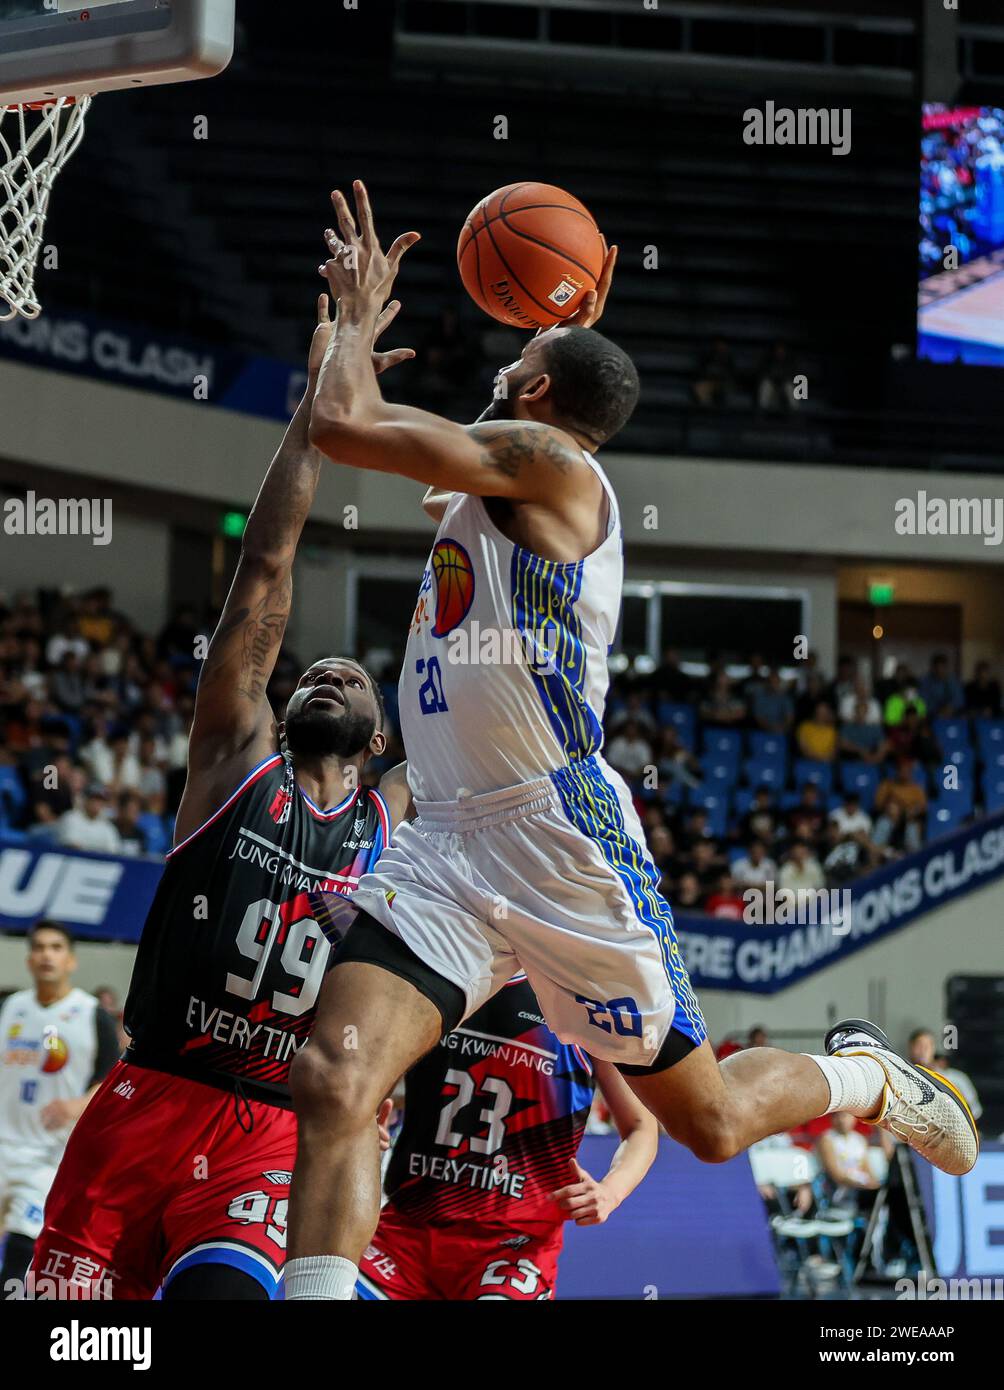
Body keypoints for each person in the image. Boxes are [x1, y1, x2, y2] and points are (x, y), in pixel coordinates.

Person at [284, 183, 979, 1302]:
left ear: (536, 393)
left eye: (516, 366)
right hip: (448, 843)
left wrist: (359, 317)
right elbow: (477, 417)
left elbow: (344, 424)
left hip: (556, 834)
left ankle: (862, 1076)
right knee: (333, 1075)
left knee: (709, 1123)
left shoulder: (550, 465)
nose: (495, 371)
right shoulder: (499, 467)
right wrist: (561, 318)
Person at [32, 296, 417, 1303]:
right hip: (144, 1098)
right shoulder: (232, 757)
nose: (325, 672)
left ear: (379, 741)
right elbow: (267, 563)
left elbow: (477, 696)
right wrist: (320, 402)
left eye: (352, 676)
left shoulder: (393, 817)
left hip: (271, 1125)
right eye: (311, 671)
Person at [353, 972, 657, 1300]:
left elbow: (641, 1125)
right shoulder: (437, 971)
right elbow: (366, 1068)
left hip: (515, 1244)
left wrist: (611, 1192)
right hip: (405, 1234)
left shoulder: (585, 1001)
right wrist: (364, 1117)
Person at [0, 921, 119, 1291]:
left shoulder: (89, 1014)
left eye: (55, 948)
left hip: (48, 1156)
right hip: (3, 1144)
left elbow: (112, 1080)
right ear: (29, 958)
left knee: (19, 1258)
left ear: (71, 960)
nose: (46, 955)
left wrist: (79, 1103)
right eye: (39, 947)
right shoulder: (11, 1007)